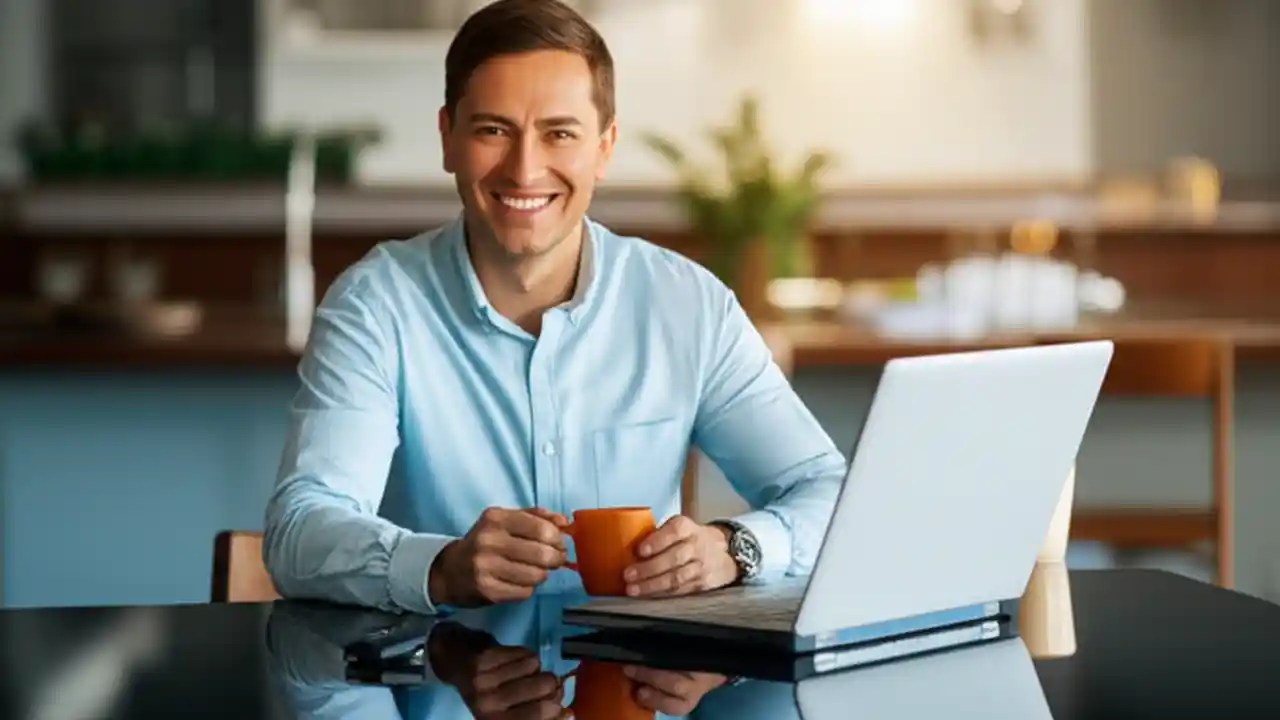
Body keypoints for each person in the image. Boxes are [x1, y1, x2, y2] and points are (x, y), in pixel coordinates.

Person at [263, 0, 845, 614]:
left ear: (604, 147)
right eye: (493, 130)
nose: (525, 168)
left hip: (641, 697)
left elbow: (828, 490)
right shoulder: (375, 306)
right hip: (443, 691)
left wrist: (737, 547)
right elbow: (301, 529)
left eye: (559, 134)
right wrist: (438, 566)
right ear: (448, 139)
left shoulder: (687, 304)